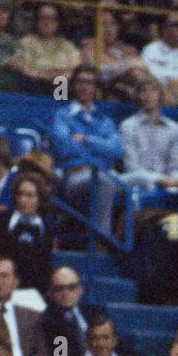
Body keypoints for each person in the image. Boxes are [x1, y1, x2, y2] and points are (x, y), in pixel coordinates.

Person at [51, 64, 123, 238]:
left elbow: (117, 150)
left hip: (105, 173)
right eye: (81, 81)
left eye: (90, 83)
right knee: (105, 182)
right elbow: (63, 148)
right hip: (74, 176)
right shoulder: (63, 115)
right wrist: (100, 148)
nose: (85, 86)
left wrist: (86, 140)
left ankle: (128, 248)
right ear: (74, 85)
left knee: (137, 182)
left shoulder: (104, 119)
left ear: (96, 88)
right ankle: (102, 242)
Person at [119, 76, 178, 190]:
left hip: (167, 181)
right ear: (138, 95)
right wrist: (160, 180)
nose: (148, 95)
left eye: (153, 90)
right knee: (134, 177)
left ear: (160, 95)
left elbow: (175, 166)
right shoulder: (127, 125)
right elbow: (131, 167)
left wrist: (174, 182)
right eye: (143, 91)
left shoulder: (174, 128)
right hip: (137, 181)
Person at [9, 2, 80, 94]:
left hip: (60, 88)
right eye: (43, 18)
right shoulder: (26, 42)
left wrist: (53, 76)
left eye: (51, 19)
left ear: (58, 22)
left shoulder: (67, 46)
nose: (47, 23)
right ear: (36, 20)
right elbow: (21, 66)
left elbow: (74, 69)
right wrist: (46, 76)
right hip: (33, 86)